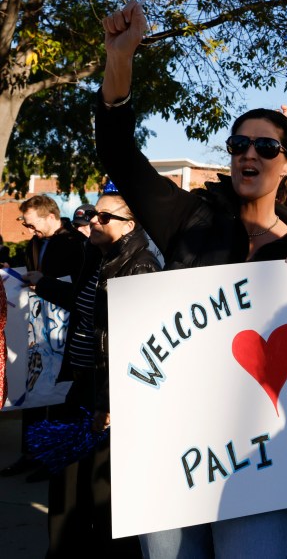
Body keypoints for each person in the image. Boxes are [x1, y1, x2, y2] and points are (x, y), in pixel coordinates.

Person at [95, 0, 287, 558]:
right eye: (238, 144)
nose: (247, 153)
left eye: (265, 146)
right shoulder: (189, 218)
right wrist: (119, 61)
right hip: (171, 454)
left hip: (257, 470)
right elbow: (118, 152)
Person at [30, 192, 160, 558]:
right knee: (69, 480)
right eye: (91, 213)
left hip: (110, 395)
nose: (94, 220)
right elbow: (81, 303)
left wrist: (109, 403)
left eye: (105, 216)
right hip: (83, 384)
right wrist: (42, 282)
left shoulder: (140, 265)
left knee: (105, 496)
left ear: (129, 224)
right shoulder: (99, 256)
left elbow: (134, 343)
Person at [2, 195, 87, 481]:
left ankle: (52, 458)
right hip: (36, 328)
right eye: (25, 226)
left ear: (50, 216)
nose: (29, 231)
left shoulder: (76, 243)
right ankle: (31, 453)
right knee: (34, 386)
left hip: (62, 330)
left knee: (58, 395)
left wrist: (45, 283)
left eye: (33, 225)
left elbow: (80, 287)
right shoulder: (36, 242)